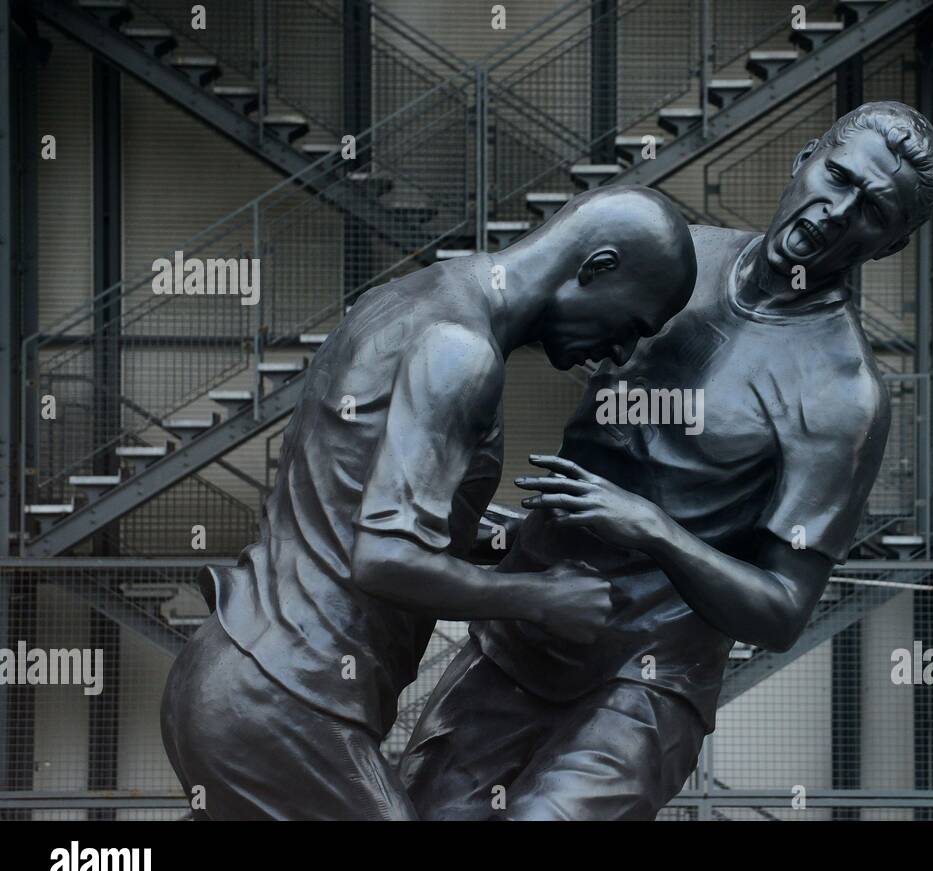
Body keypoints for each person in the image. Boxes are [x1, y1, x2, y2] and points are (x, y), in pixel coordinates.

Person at [398, 101, 933, 821]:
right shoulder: (672, 254)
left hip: (648, 677)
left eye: (872, 209)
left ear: (891, 244)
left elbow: (782, 611)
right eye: (837, 174)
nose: (838, 210)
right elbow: (507, 312)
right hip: (527, 623)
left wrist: (652, 528)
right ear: (805, 155)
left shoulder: (843, 395)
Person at [159, 186, 698, 820]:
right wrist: (543, 598)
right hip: (282, 700)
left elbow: (348, 500)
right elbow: (384, 558)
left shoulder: (403, 302)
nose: (619, 354)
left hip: (241, 678)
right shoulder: (460, 352)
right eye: (633, 324)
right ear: (598, 266)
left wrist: (510, 539)